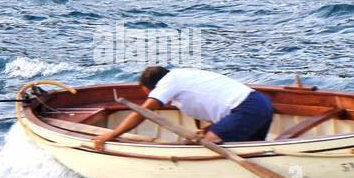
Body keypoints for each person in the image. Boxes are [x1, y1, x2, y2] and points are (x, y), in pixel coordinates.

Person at [89, 66, 274, 152]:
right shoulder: (184, 75)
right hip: (261, 103)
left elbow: (143, 113)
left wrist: (110, 136)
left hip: (247, 108)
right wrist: (210, 127)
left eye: (150, 94)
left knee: (206, 146)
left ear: (155, 87)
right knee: (250, 150)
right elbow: (217, 101)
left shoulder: (168, 82)